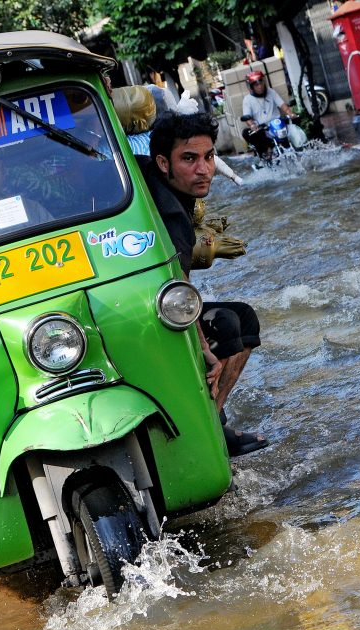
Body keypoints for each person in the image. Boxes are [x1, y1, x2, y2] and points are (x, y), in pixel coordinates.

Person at [138, 111, 268, 456]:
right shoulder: (171, 213)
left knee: (245, 318)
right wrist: (205, 349)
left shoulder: (145, 173)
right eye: (189, 159)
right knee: (226, 325)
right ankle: (206, 434)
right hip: (146, 318)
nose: (204, 169)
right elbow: (177, 287)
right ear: (164, 162)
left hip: (153, 304)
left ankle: (215, 421)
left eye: (209, 157)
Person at [241, 71, 293, 158]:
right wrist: (252, 125)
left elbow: (282, 105)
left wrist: (290, 113)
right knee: (246, 133)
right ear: (251, 87)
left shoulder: (271, 92)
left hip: (277, 124)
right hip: (262, 128)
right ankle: (266, 152)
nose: (260, 86)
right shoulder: (247, 100)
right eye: (256, 85)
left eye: (261, 83)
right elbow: (247, 117)